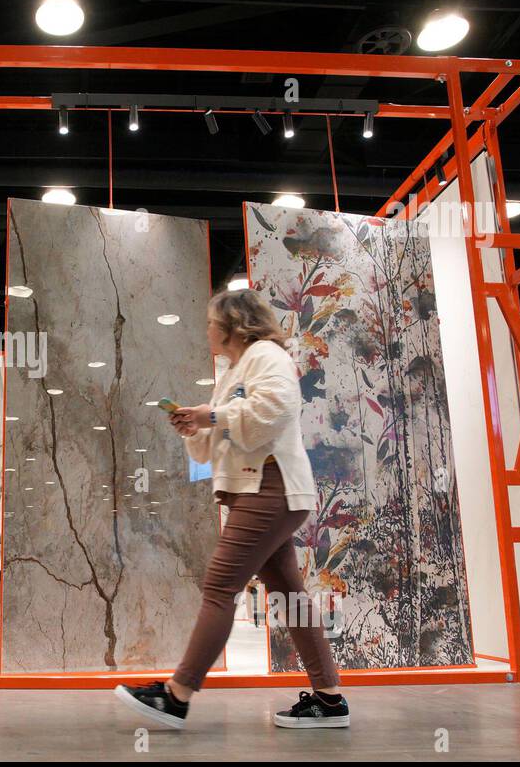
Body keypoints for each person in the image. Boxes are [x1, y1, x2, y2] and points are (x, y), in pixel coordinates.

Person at [113, 287, 348, 730]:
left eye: (210, 322)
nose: (206, 330)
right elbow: (209, 450)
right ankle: (329, 700)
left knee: (220, 585)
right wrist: (194, 425)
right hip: (257, 491)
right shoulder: (233, 370)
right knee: (290, 596)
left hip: (271, 488)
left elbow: (274, 411)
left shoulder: (266, 354)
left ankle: (177, 696)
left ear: (233, 324)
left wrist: (213, 416)